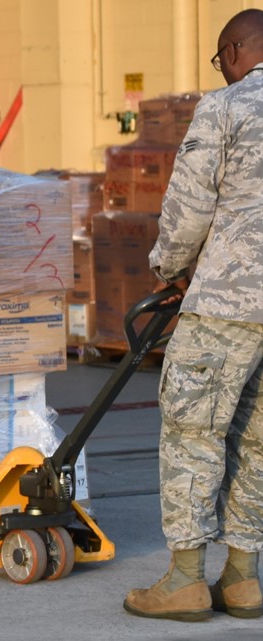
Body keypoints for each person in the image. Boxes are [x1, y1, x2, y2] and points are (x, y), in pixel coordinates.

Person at [125, 9, 263, 623]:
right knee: (257, 442)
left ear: (236, 50)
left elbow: (186, 212)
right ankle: (242, 579)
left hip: (229, 306)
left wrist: (168, 266)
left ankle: (184, 579)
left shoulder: (227, 108)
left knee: (193, 432)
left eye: (220, 58)